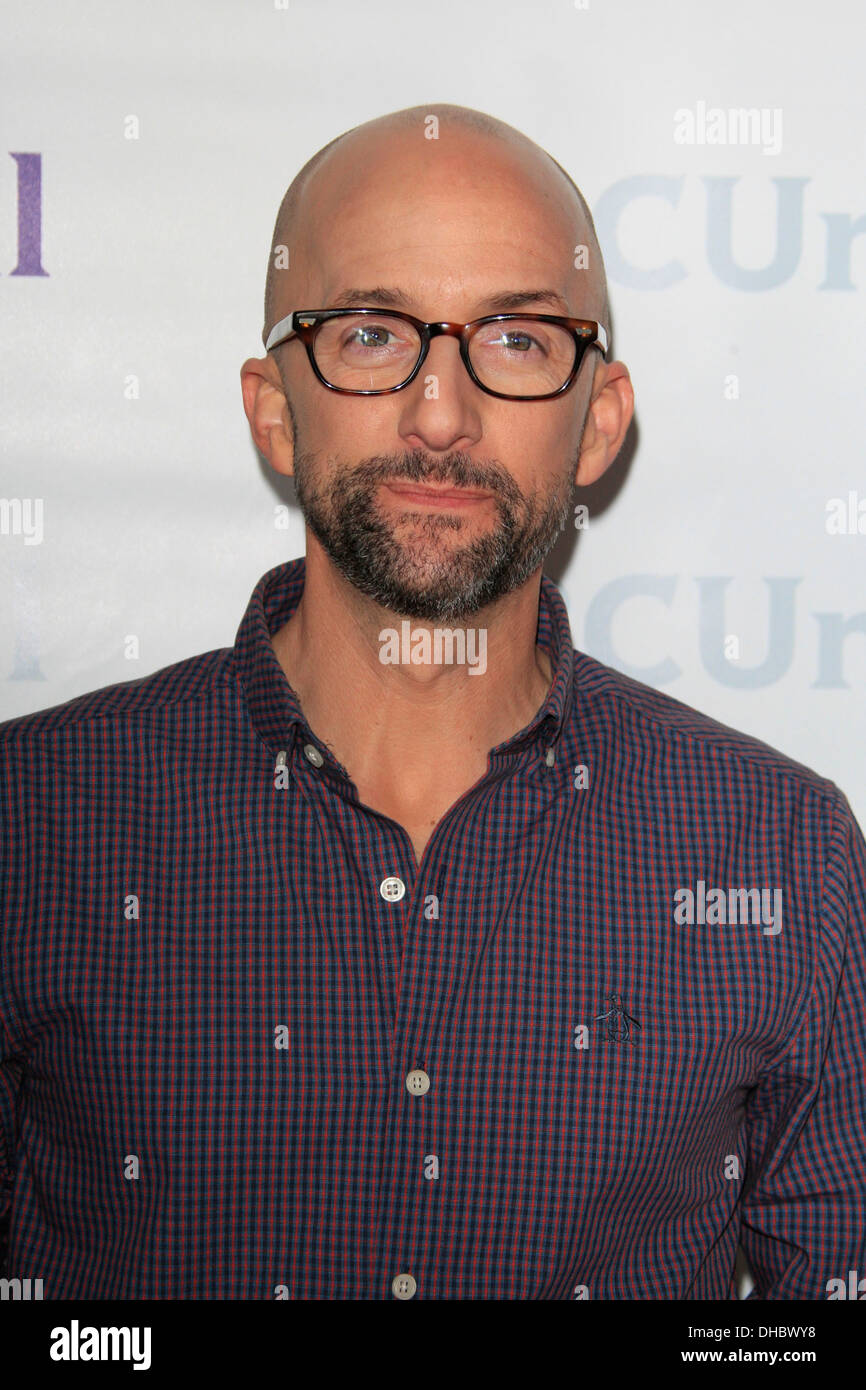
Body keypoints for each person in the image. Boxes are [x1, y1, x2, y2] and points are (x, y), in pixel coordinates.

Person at [1, 104, 864, 1301]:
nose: (439, 414)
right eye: (369, 333)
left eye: (514, 340)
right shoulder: (28, 817)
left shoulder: (781, 850)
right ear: (271, 408)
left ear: (597, 420)